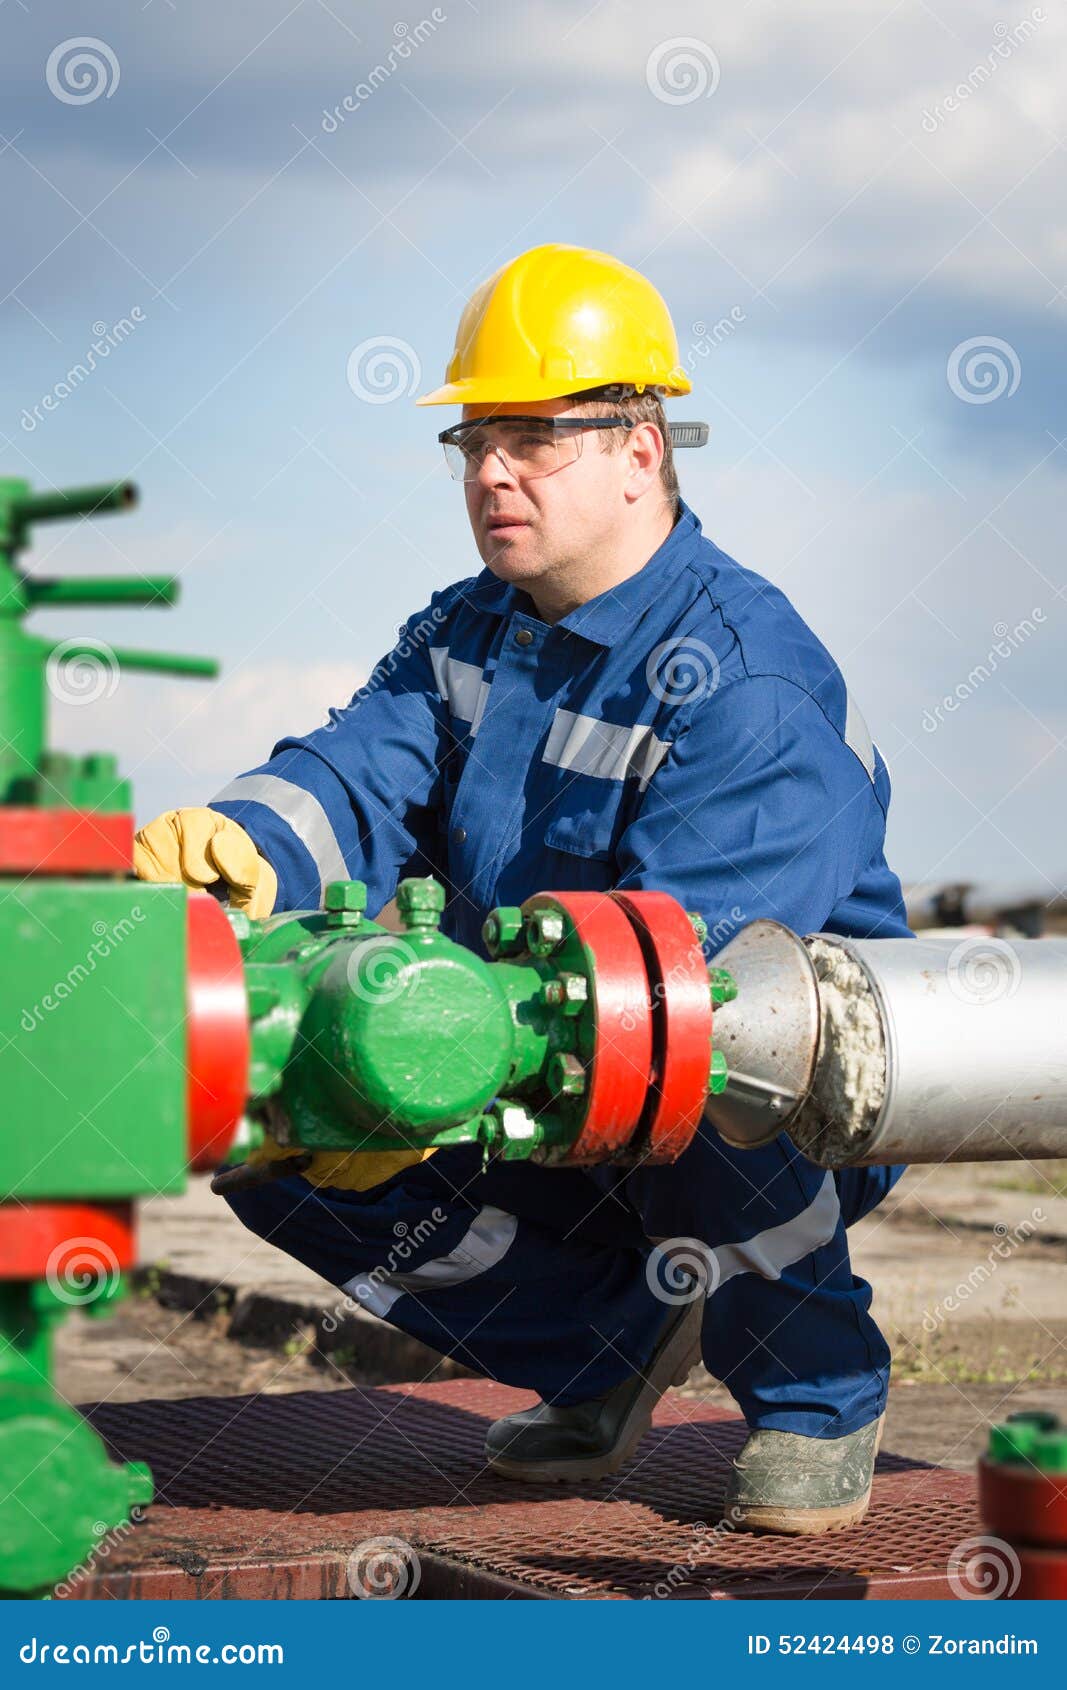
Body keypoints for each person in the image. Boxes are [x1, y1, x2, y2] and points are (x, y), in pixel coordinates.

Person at [134, 243, 911, 1534]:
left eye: (536, 436)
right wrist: (244, 844)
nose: (492, 470)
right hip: (545, 1062)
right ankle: (604, 1349)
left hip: (752, 1081)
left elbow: (677, 987)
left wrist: (436, 1078)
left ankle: (817, 1392)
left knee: (725, 1089)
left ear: (640, 450)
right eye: (477, 436)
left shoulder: (744, 678)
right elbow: (361, 771)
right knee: (277, 1130)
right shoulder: (468, 628)